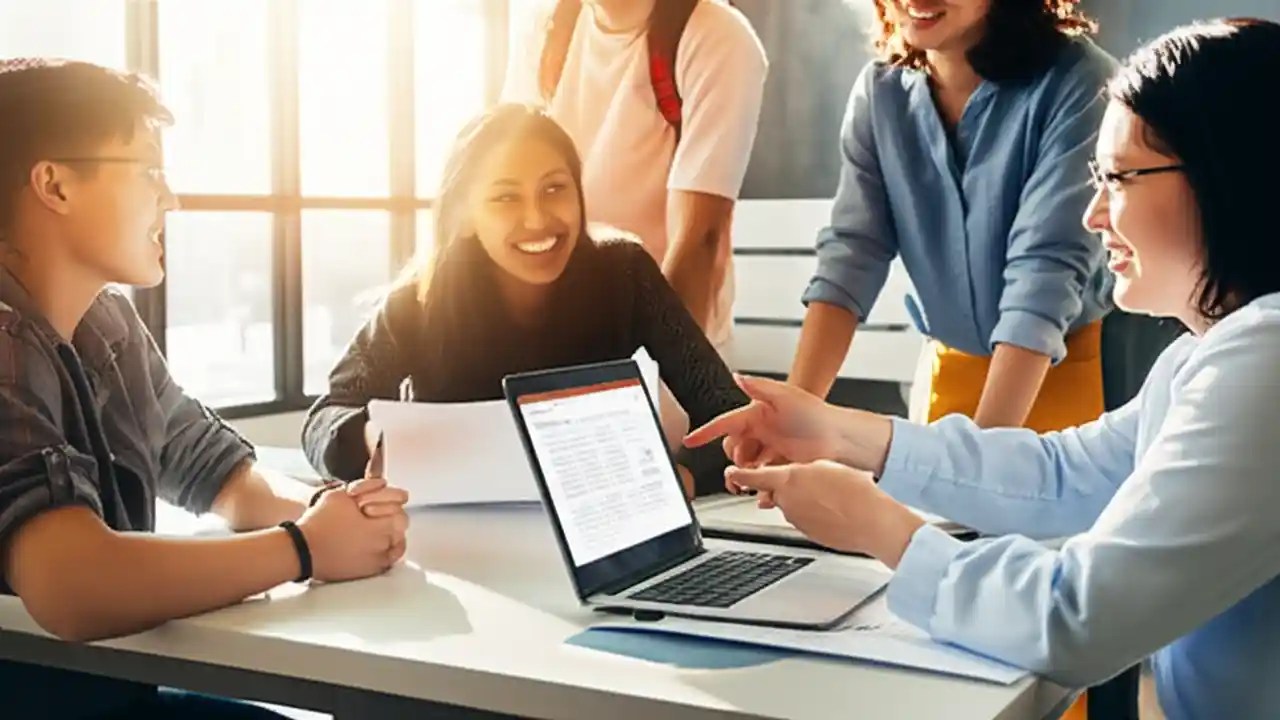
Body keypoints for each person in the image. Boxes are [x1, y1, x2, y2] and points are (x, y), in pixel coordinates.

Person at [687, 18, 1280, 719]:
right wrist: (843, 434)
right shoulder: (1207, 356)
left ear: (1225, 173)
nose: (1093, 214)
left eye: (1117, 177)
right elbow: (1065, 474)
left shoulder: (1263, 364)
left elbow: (1077, 619)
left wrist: (880, 529)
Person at [0, 60, 411, 719]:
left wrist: (338, 512)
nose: (171, 199)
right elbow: (67, 583)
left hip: (114, 693)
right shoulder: (4, 344)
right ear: (54, 184)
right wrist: (303, 550)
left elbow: (217, 471)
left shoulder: (106, 324)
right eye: (146, 171)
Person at [302, 104, 746, 498]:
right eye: (505, 197)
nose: (537, 219)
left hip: (602, 527)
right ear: (467, 215)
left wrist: (675, 483)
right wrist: (373, 433)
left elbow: (733, 419)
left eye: (555, 189)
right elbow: (324, 420)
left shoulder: (623, 273)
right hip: (459, 547)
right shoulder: (420, 300)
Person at [789, 0, 1116, 432]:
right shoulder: (880, 94)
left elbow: (1045, 275)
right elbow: (852, 254)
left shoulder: (1081, 82)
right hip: (948, 373)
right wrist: (787, 417)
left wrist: (977, 462)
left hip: (1064, 373)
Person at [502, 0, 767, 444]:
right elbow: (500, 183)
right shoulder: (546, 30)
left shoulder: (716, 35)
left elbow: (699, 238)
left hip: (663, 356)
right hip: (545, 352)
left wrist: (652, 396)